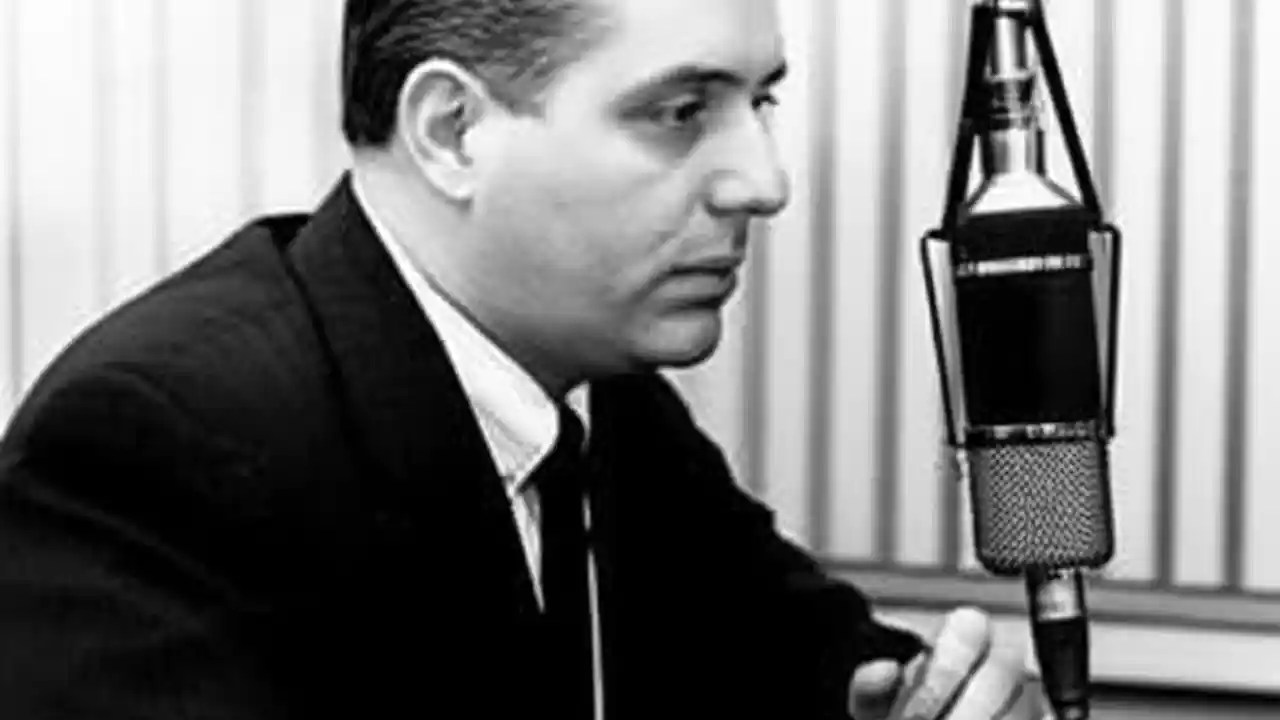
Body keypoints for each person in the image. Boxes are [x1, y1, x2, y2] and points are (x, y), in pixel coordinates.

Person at [0, 0, 1049, 717]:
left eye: (758, 103)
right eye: (681, 111)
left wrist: (936, 700)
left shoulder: (604, 395)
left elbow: (819, 667)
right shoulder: (153, 448)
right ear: (452, 130)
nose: (763, 181)